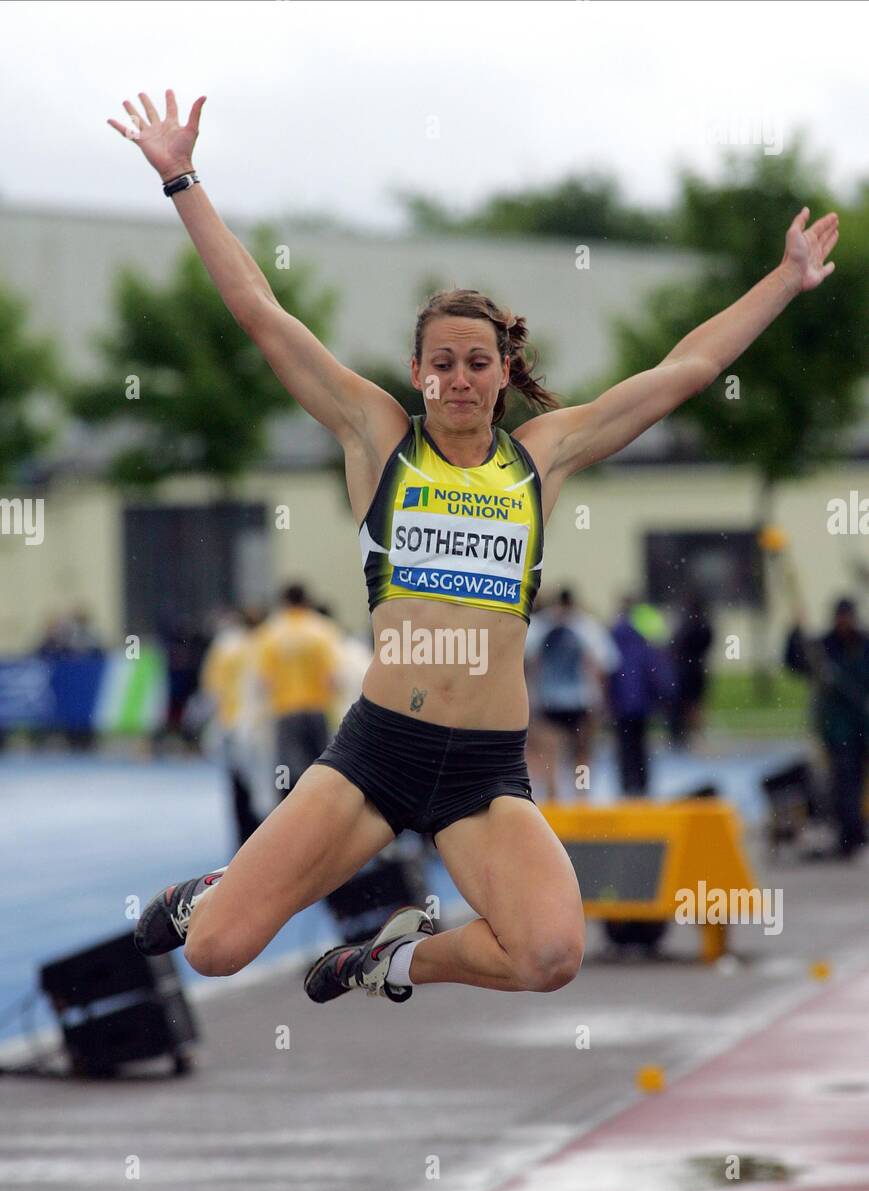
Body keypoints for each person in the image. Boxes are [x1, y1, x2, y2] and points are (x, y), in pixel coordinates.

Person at [114, 89, 839, 1003]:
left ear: (503, 375)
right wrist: (180, 177)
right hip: (378, 754)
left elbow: (682, 373)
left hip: (486, 769)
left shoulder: (543, 455)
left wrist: (783, 280)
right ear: (417, 373)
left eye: (478, 362)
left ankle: (389, 959)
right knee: (216, 951)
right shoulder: (378, 437)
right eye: (442, 363)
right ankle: (208, 899)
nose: (459, 378)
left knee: (548, 956)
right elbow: (260, 311)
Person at [784, 597, 869, 860]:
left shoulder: (864, 645)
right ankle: (849, 834)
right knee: (844, 783)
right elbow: (795, 661)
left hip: (863, 726)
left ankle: (856, 830)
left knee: (857, 784)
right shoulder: (823, 648)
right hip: (839, 730)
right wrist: (794, 634)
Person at [251, 583, 343, 804]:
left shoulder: (271, 632)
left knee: (284, 769)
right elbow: (333, 678)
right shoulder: (322, 630)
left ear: (283, 602)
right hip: (316, 709)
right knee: (321, 768)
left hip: (285, 709)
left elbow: (264, 681)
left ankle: (285, 809)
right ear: (307, 601)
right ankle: (320, 813)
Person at [525, 587, 620, 800]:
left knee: (551, 754)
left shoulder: (539, 626)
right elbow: (604, 665)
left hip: (550, 702)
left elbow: (527, 663)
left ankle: (553, 798)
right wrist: (601, 700)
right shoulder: (587, 626)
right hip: (580, 702)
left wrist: (531, 697)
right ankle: (581, 795)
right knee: (582, 753)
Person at [199, 607, 263, 848]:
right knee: (263, 786)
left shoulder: (226, 645)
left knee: (239, 784)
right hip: (256, 725)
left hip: (232, 723)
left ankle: (244, 838)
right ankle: (258, 837)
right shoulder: (263, 642)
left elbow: (210, 685)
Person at [608, 597, 673, 795]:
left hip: (621, 700)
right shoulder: (643, 639)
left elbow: (608, 668)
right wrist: (663, 694)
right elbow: (654, 670)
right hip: (641, 700)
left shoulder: (613, 637)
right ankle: (641, 782)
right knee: (641, 744)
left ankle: (627, 783)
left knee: (624, 744)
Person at [667, 589, 714, 746]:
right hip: (695, 668)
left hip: (686, 669)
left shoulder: (687, 625)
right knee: (694, 704)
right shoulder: (702, 623)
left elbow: (677, 645)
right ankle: (694, 735)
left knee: (689, 704)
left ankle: (689, 735)